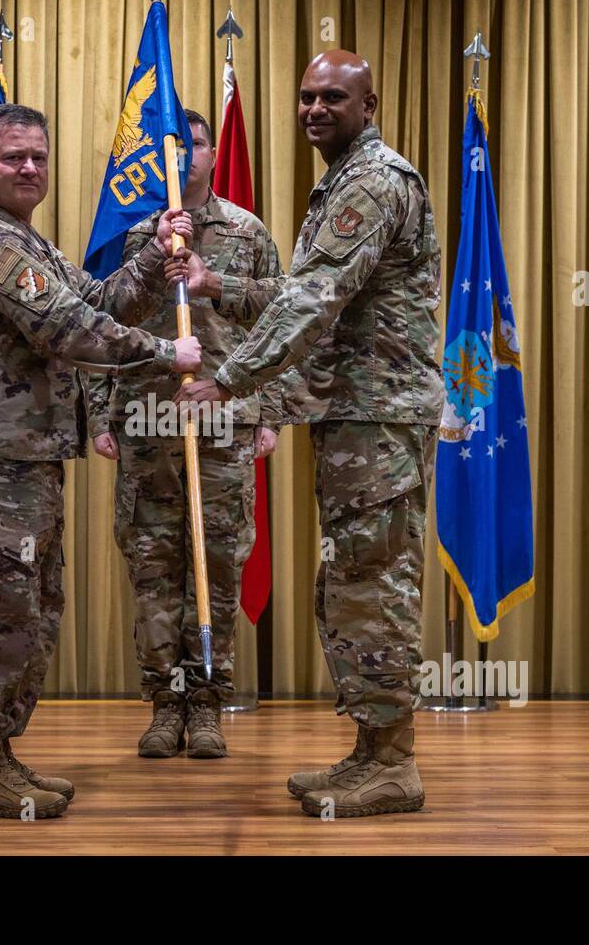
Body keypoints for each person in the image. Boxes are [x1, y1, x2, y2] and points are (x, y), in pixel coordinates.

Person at [171, 51, 445, 817]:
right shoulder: (341, 182)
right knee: (352, 581)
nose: (315, 109)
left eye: (333, 97)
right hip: (354, 415)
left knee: (374, 586)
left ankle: (394, 762)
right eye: (305, 97)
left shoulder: (373, 180)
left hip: (378, 418)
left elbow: (314, 300)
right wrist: (223, 285)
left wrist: (229, 379)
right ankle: (371, 750)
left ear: (370, 103)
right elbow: (305, 290)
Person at [0, 103, 200, 819]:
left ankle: (2, 756)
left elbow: (103, 297)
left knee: (31, 611)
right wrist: (167, 353)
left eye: (39, 157)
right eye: (13, 156)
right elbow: (72, 329)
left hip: (27, 459)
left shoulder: (29, 242)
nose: (29, 169)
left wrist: (150, 254)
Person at [85, 109, 284, 759]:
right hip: (147, 424)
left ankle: (207, 705)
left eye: (195, 144)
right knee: (154, 572)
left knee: (217, 569)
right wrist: (101, 413)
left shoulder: (246, 231)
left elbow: (282, 318)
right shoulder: (135, 232)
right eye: (171, 146)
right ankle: (164, 706)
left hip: (224, 424)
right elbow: (97, 321)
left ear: (209, 152)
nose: (184, 156)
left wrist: (271, 411)